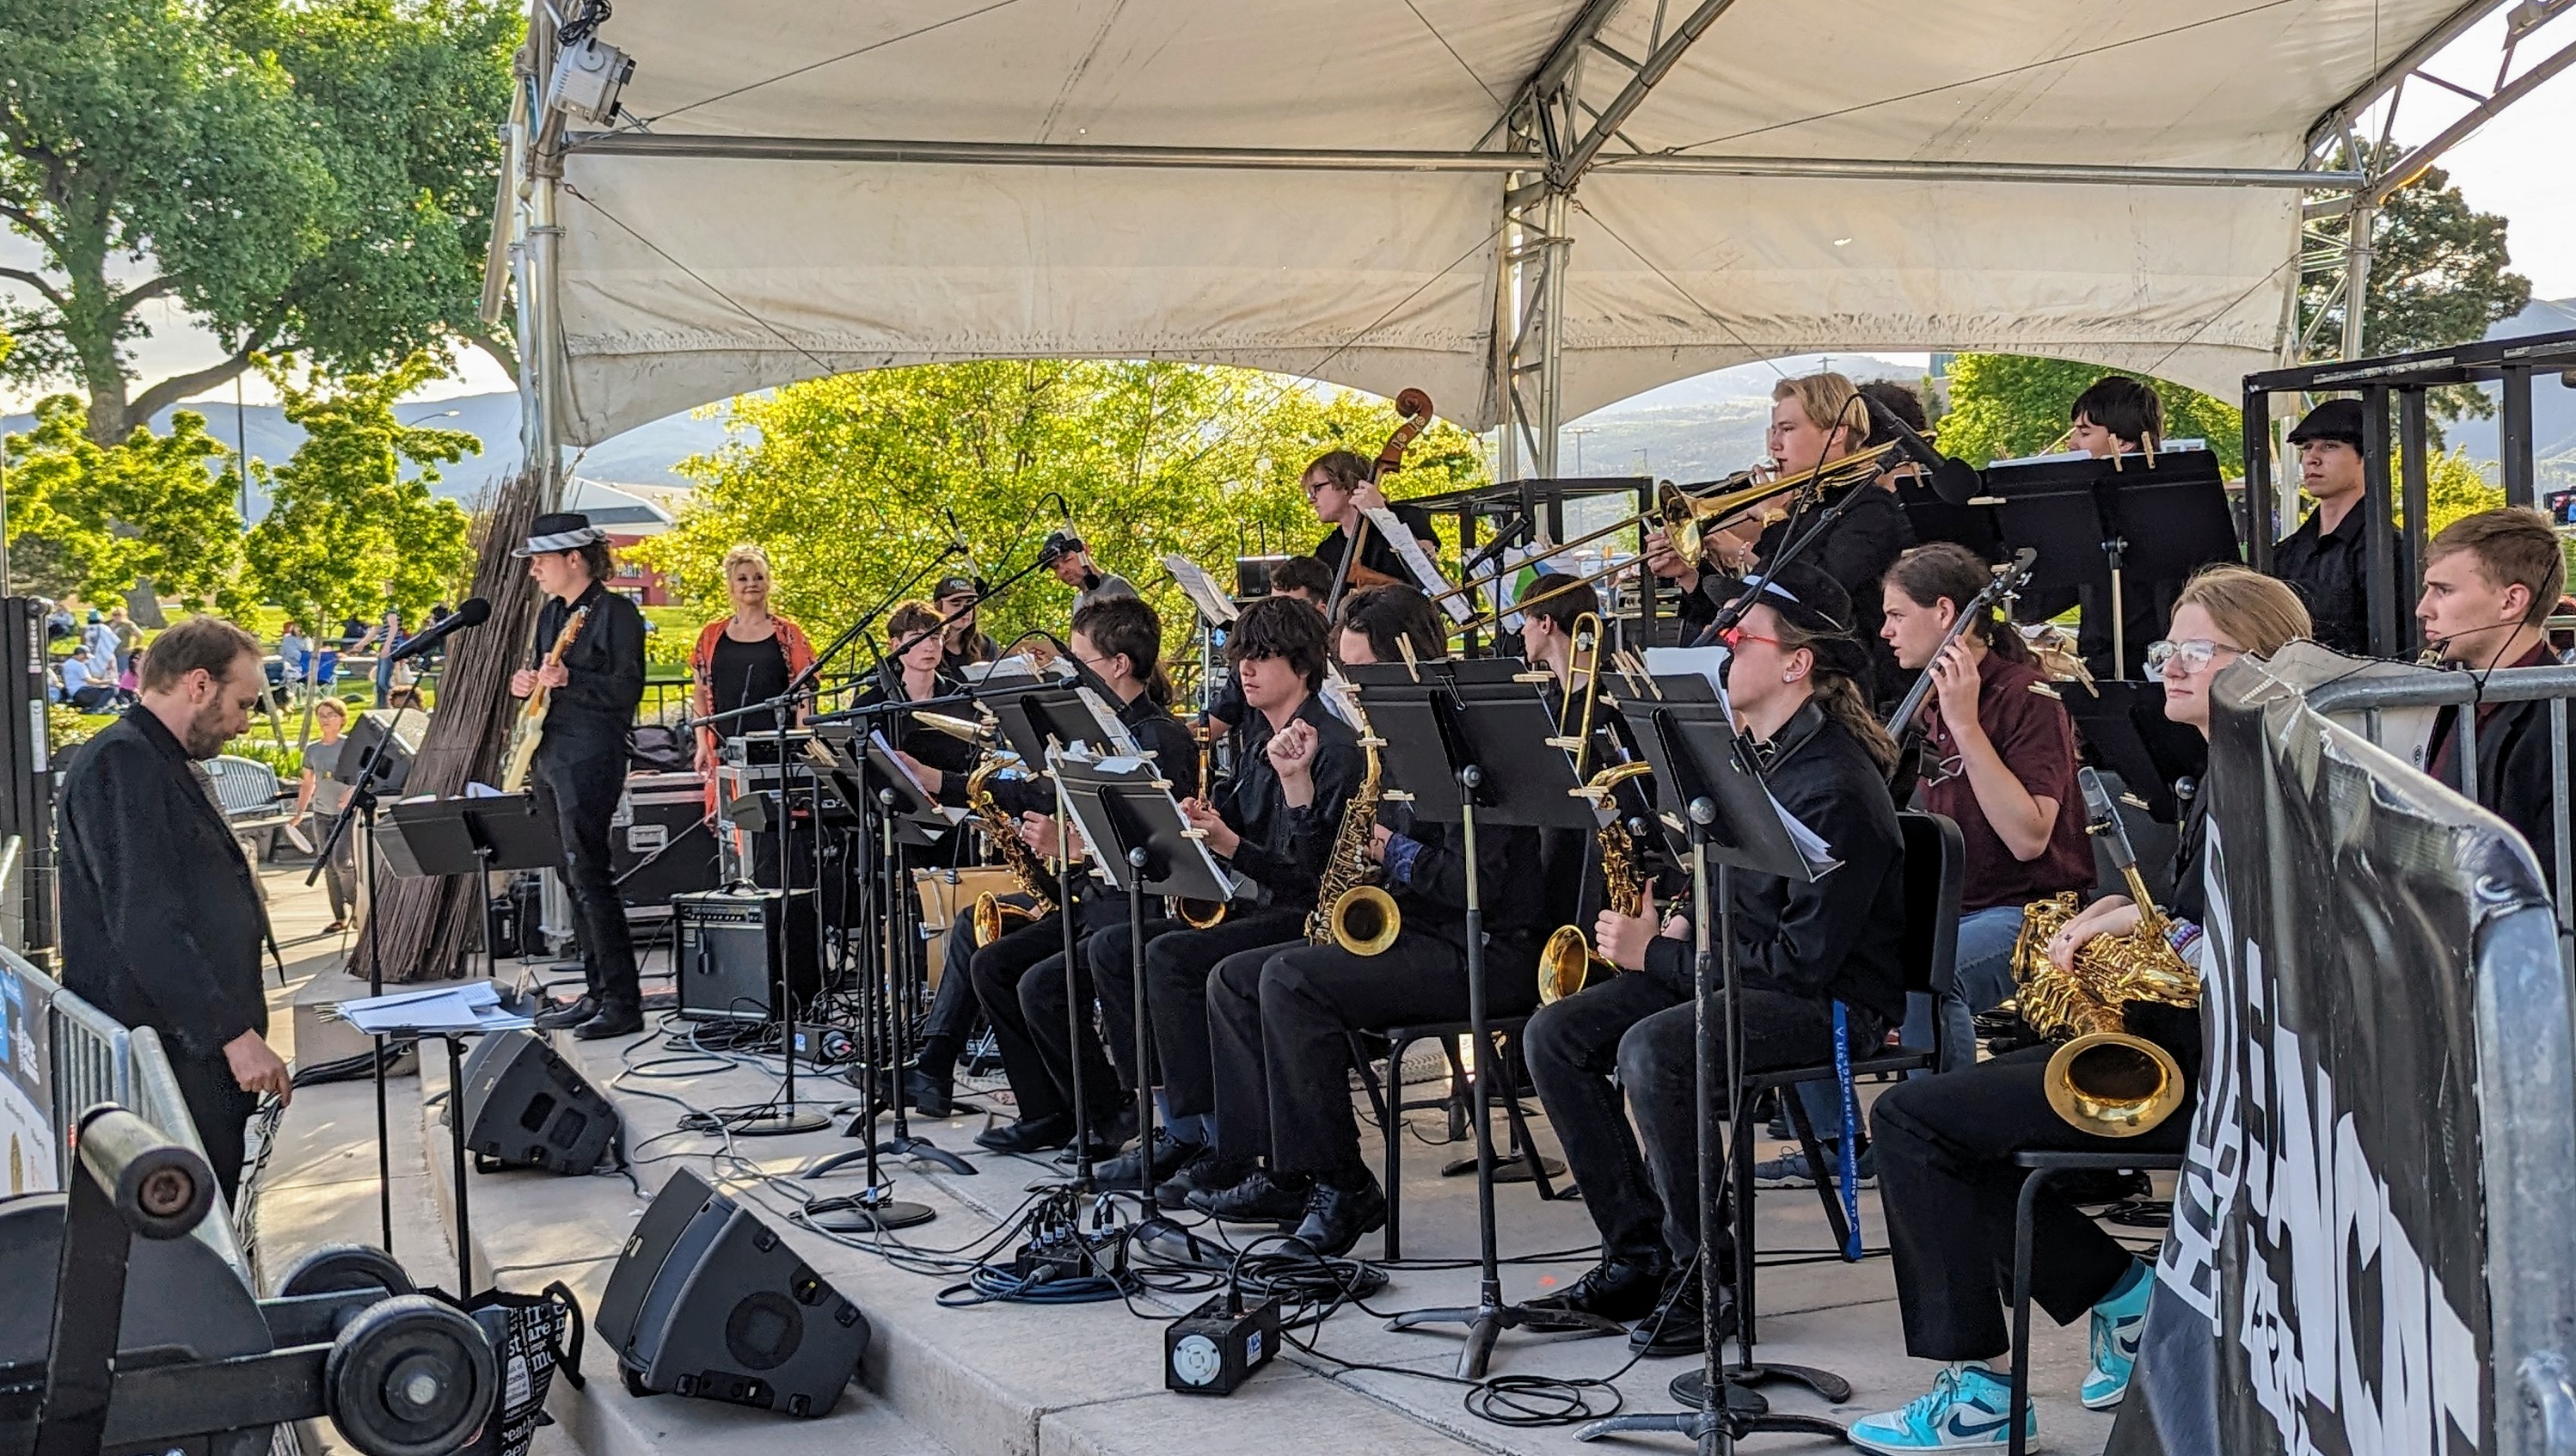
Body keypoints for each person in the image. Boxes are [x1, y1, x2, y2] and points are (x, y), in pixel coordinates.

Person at [1847, 565, 2309, 1453]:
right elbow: (2207, 912)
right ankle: (2121, 1295)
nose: (2168, 666)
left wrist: (2152, 935)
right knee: (1932, 1131)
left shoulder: (2268, 781)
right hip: (2167, 1045)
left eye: (2194, 650)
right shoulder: (2233, 765)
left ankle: (1982, 1393)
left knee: (1914, 1123)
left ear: (2259, 662)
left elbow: (2265, 949)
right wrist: (2135, 913)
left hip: (2207, 1071)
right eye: (2164, 648)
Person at [1518, 562, 1907, 1355]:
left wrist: (1660, 954)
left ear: (1797, 663)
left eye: (1741, 638)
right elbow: (1744, 912)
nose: (1723, 650)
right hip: (1743, 972)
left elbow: (1801, 963)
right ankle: (1638, 1253)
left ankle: (1711, 1276)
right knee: (1554, 1035)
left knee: (1654, 1048)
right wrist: (1681, 916)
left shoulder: (1834, 782)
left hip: (1826, 1004)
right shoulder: (1752, 759)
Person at [1198, 583, 1549, 1256]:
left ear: (1407, 662)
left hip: (1483, 945)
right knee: (1239, 978)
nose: (1350, 691)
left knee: (1291, 980)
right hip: (1416, 929)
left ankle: (1341, 1183)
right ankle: (1279, 1168)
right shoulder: (1383, 743)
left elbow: (1488, 886)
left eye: (1362, 674)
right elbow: (1319, 868)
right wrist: (1299, 790)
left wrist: (1396, 851)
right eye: (1347, 673)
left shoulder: (1476, 742)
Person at [1757, 544, 2097, 1190]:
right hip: (1946, 906)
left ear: (1946, 612)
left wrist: (1968, 729)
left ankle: (1943, 1140)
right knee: (1805, 957)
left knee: (1934, 978)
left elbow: (2030, 838)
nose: (1883, 631)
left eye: (1895, 614)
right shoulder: (1922, 700)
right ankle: (1838, 1141)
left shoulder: (2029, 699)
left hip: (2029, 910)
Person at [1083, 593, 1364, 1195]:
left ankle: (1222, 1140)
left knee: (1176, 960)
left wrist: (1231, 842)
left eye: (1262, 657)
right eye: (1243, 657)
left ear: (1304, 664)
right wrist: (1194, 823)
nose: (1247, 670)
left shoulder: (1332, 747)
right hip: (1254, 902)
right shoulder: (1260, 739)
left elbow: (1308, 878)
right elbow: (1235, 825)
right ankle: (1175, 1122)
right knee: (1114, 946)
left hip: (1301, 915)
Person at [57, 616, 287, 1202]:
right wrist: (232, 1034)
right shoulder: (123, 763)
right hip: (168, 1055)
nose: (244, 723)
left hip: (189, 1050)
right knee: (190, 1233)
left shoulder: (155, 757)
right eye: (243, 703)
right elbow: (146, 922)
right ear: (199, 685)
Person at [964, 595, 1199, 1156]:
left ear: (1120, 663)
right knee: (992, 963)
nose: (1071, 672)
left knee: (1042, 986)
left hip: (1136, 907)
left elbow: (1160, 843)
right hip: (1096, 900)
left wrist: (1070, 845)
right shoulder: (1093, 731)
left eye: (1082, 660)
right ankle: (1048, 1111)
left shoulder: (1161, 737)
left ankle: (1110, 1113)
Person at [1655, 374, 1914, 704]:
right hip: (1789, 691)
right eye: (1774, 430)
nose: (1774, 444)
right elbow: (1753, 607)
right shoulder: (1807, 508)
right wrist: (1691, 576)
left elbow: (1808, 600)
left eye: (1787, 429)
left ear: (1836, 434)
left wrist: (1773, 519)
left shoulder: (1871, 511)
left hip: (1843, 695)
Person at [509, 513, 649, 1040]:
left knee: (591, 873)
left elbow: (626, 690)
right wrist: (529, 683)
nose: (534, 572)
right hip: (551, 752)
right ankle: (597, 992)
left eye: (541, 561)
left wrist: (574, 678)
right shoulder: (553, 615)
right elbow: (545, 678)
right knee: (571, 875)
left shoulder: (616, 613)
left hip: (591, 753)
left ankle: (622, 999)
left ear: (575, 558)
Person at [2416, 507, 2572, 889]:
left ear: (2511, 601)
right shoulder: (2449, 696)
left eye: (2443, 590)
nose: (2423, 608)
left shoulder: (2561, 719)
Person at [2015, 375, 2174, 679]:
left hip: (2158, 676)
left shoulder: (2164, 511)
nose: (2071, 443)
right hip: (2099, 671)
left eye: (2084, 433)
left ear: (2124, 442)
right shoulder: (2086, 512)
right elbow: (2037, 604)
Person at [689, 544, 819, 808]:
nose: (752, 584)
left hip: (779, 750)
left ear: (768, 582)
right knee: (733, 827)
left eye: (759, 577)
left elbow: (806, 691)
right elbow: (701, 694)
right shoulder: (712, 635)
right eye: (743, 578)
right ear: (731, 585)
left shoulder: (788, 632)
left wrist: (802, 740)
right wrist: (702, 744)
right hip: (726, 747)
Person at [2268, 397, 2372, 655]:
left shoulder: (2387, 549)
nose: (2311, 459)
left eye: (2329, 446)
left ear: (2367, 455)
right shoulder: (2286, 552)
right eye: (2306, 447)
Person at [1303, 449, 1441, 595]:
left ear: (1345, 484)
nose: (1312, 499)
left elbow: (1430, 577)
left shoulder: (1406, 517)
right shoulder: (1326, 552)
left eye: (1317, 488)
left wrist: (1382, 514)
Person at [291, 697, 359, 933]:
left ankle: (357, 908)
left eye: (331, 715)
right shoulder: (313, 750)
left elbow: (363, 775)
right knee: (328, 864)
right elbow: (308, 782)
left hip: (346, 814)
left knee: (342, 862)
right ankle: (339, 917)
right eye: (321, 715)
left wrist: (351, 793)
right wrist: (300, 812)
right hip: (321, 813)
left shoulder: (349, 746)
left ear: (341, 719)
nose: (326, 720)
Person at [1042, 532, 1137, 615]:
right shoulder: (1077, 602)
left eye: (1067, 560)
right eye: (1055, 567)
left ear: (1085, 550)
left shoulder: (1115, 586)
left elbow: (1137, 632)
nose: (1063, 571)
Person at [931, 574, 1000, 674]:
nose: (965, 610)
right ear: (938, 608)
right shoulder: (927, 646)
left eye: (969, 603)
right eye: (956, 604)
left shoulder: (986, 645)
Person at [362, 609, 407, 709]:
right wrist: (361, 644)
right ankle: (382, 707)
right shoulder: (382, 607)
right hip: (384, 648)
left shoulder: (391, 606)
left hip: (391, 648)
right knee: (379, 684)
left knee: (384, 682)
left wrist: (387, 646)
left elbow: (394, 627)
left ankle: (398, 701)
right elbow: (377, 629)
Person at [59, 645, 118, 711]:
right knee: (112, 689)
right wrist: (109, 682)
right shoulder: (79, 665)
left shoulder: (67, 663)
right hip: (81, 693)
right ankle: (96, 709)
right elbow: (89, 681)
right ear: (81, 655)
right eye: (85, 657)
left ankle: (90, 707)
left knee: (100, 690)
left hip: (72, 694)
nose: (86, 659)